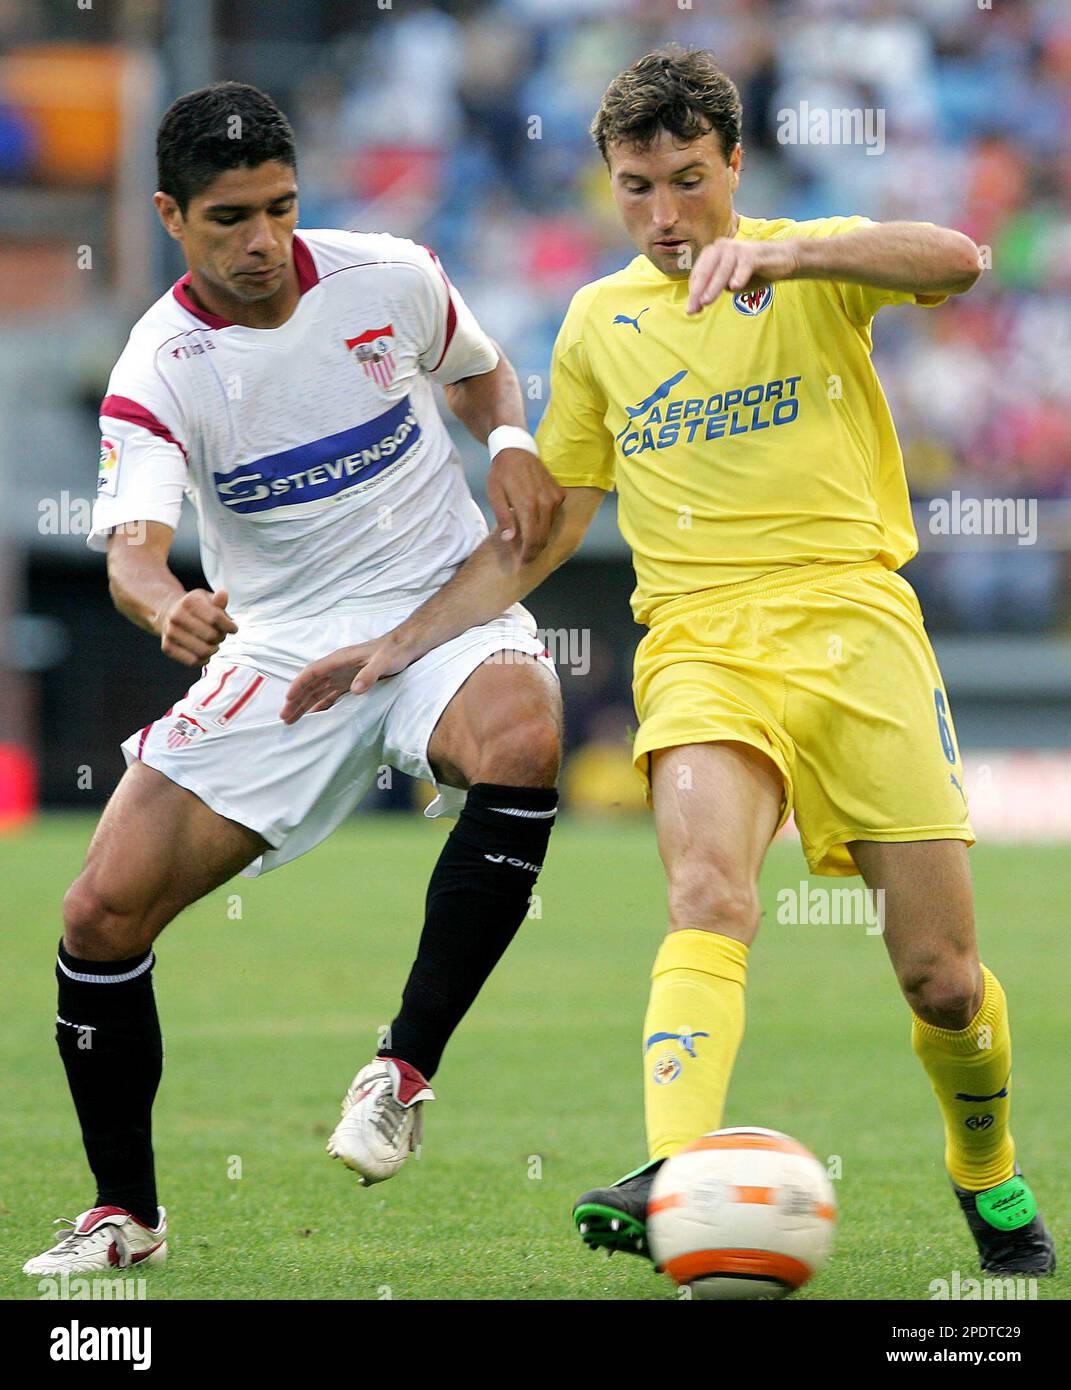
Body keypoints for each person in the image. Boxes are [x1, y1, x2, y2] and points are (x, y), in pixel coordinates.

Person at [280, 49, 1054, 1282]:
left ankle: (986, 1171)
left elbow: (957, 259)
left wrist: (798, 255)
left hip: (855, 629)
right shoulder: (598, 324)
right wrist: (398, 642)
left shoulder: (815, 261)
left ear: (735, 166)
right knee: (711, 893)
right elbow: (544, 532)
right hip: (699, 639)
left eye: (689, 182)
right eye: (635, 187)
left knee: (943, 979)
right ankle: (676, 1170)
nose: (664, 216)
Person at [23, 81, 565, 1277]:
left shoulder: (388, 273)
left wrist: (511, 440)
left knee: (524, 734)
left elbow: (479, 372)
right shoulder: (161, 363)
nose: (262, 241)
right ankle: (125, 1213)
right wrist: (174, 608)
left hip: (436, 615)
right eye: (228, 219)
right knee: (98, 915)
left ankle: (401, 1070)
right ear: (170, 214)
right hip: (277, 651)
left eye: (279, 208)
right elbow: (131, 556)